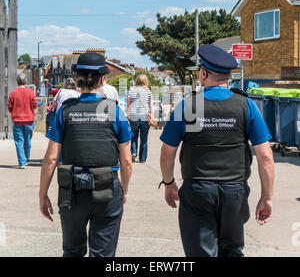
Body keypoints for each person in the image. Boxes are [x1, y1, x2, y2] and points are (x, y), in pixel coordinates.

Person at [159, 44, 275, 257]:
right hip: (234, 190)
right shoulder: (246, 105)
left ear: (203, 74)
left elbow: (168, 151)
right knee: (231, 250)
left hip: (198, 190)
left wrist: (169, 183)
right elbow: (266, 156)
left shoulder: (188, 106)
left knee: (200, 252)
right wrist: (266, 197)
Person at [39, 52, 133, 257]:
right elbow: (126, 160)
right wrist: (123, 190)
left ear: (78, 79)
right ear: (103, 80)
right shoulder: (114, 111)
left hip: (71, 187)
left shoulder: (65, 111)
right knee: (103, 253)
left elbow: (51, 158)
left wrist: (42, 193)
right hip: (107, 185)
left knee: (72, 251)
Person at [8, 73, 38, 169]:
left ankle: (22, 162)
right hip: (29, 120)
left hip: (17, 121)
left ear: (17, 82)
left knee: (19, 142)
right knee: (27, 140)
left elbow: (10, 108)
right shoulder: (30, 93)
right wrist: (34, 116)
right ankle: (26, 159)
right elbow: (35, 106)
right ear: (26, 82)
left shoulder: (13, 94)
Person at [127, 74, 154, 163]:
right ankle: (142, 159)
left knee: (133, 136)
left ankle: (133, 152)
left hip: (133, 115)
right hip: (145, 116)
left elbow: (128, 104)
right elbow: (151, 106)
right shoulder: (148, 92)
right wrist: (152, 116)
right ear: (145, 81)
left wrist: (127, 115)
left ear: (137, 81)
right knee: (144, 138)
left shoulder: (132, 91)